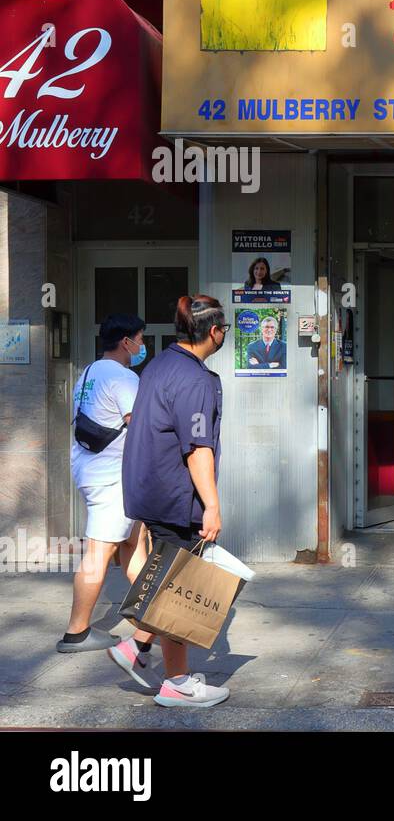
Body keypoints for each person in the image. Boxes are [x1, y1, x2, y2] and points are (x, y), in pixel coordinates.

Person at [121, 294, 230, 708]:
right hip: (175, 494)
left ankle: (135, 648)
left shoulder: (160, 364)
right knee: (182, 588)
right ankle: (177, 683)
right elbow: (197, 448)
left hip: (149, 489)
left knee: (170, 579)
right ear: (214, 332)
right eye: (225, 330)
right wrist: (213, 506)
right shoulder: (196, 380)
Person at [57, 314, 157, 683]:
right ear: (127, 342)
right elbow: (139, 423)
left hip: (93, 471)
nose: (141, 345)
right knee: (98, 554)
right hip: (111, 479)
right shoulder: (123, 376)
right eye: (139, 338)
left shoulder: (88, 373)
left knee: (134, 547)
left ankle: (151, 619)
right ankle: (76, 632)